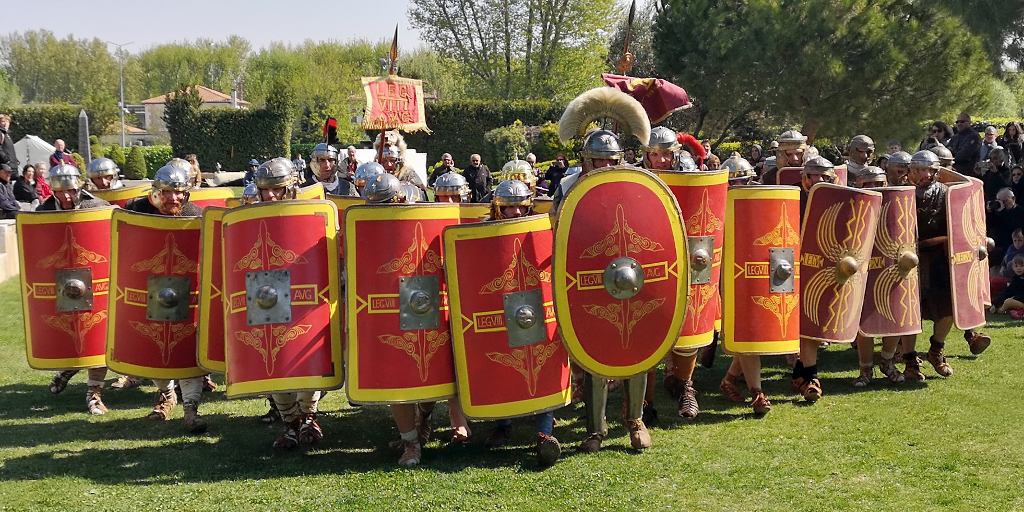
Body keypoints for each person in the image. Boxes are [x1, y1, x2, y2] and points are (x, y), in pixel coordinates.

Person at [551, 129, 651, 452]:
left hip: (627, 274)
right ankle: (595, 430)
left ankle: (635, 420)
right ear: (586, 160)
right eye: (599, 161)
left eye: (612, 160)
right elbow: (559, 233)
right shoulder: (568, 188)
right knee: (593, 348)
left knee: (636, 343)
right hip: (586, 277)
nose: (606, 166)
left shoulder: (634, 185)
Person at [480, 179, 562, 466]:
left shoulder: (542, 229)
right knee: (504, 365)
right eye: (509, 208)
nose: (515, 213)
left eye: (520, 207)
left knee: (545, 367)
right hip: (502, 309)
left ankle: (544, 434)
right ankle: (502, 424)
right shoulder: (482, 232)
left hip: (538, 306)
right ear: (497, 208)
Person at [248, 157, 329, 448]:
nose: (269, 195)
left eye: (276, 189)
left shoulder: (309, 214)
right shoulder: (248, 220)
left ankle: (308, 419)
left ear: (291, 188)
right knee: (275, 367)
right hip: (265, 301)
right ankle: (291, 424)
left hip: (304, 297)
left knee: (305, 362)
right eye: (264, 189)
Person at [123, 165, 207, 433]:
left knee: (188, 353)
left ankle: (191, 410)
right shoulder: (135, 212)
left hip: (187, 296)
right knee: (156, 351)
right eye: (168, 193)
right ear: (156, 192)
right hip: (149, 294)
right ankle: (166, 395)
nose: (174, 199)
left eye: (179, 193)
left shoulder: (197, 216)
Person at [38, 165, 113, 414]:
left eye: (71, 190)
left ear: (79, 186)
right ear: (53, 191)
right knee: (71, 335)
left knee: (97, 338)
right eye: (62, 192)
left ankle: (94, 394)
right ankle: (69, 367)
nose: (67, 197)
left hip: (96, 284)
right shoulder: (44, 212)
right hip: (62, 288)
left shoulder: (99, 208)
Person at [848, 166, 906, 387]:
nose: (874, 189)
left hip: (891, 267)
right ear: (859, 186)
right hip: (863, 269)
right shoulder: (853, 206)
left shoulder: (896, 206)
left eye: (878, 184)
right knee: (865, 322)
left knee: (893, 316)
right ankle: (865, 369)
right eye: (868, 185)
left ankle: (887, 361)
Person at [902, 150, 956, 380]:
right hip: (905, 260)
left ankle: (936, 350)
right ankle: (910, 362)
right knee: (908, 313)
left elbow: (956, 227)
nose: (927, 174)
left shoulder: (946, 193)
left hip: (937, 261)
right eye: (921, 170)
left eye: (931, 170)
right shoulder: (901, 194)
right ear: (911, 171)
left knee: (948, 310)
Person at [789, 156, 837, 401]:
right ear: (804, 178)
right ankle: (811, 377)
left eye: (823, 176)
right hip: (794, 269)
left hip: (823, 269)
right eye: (812, 176)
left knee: (813, 323)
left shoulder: (837, 200)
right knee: (800, 324)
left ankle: (803, 374)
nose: (817, 180)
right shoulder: (790, 199)